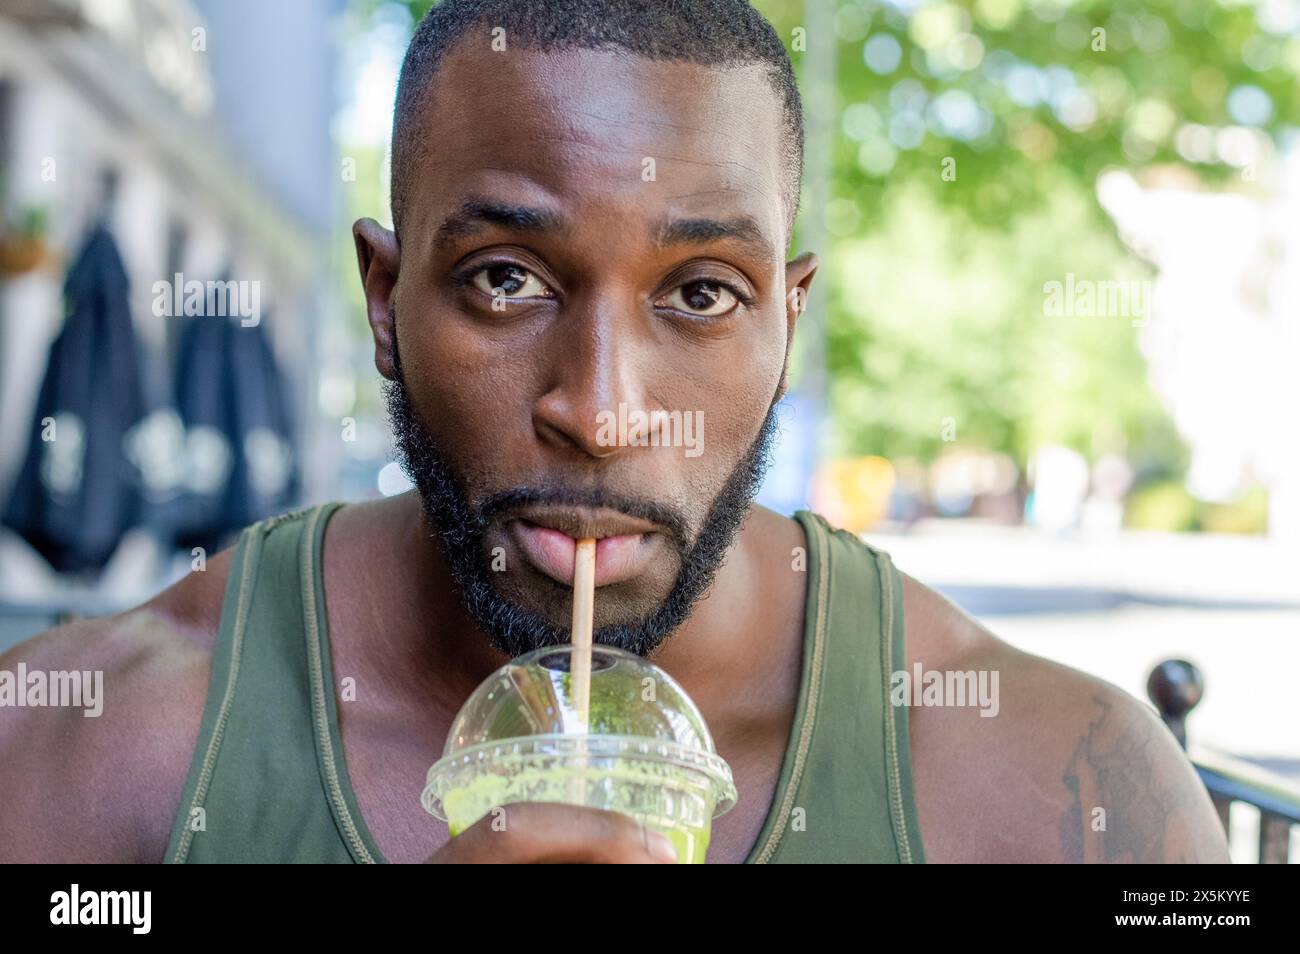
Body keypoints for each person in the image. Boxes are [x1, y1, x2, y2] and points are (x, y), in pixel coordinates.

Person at [0, 0, 1229, 863]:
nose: (599, 410)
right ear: (385, 302)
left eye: (700, 293)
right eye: (505, 280)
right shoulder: (77, 751)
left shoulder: (1057, 790)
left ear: (784, 322)